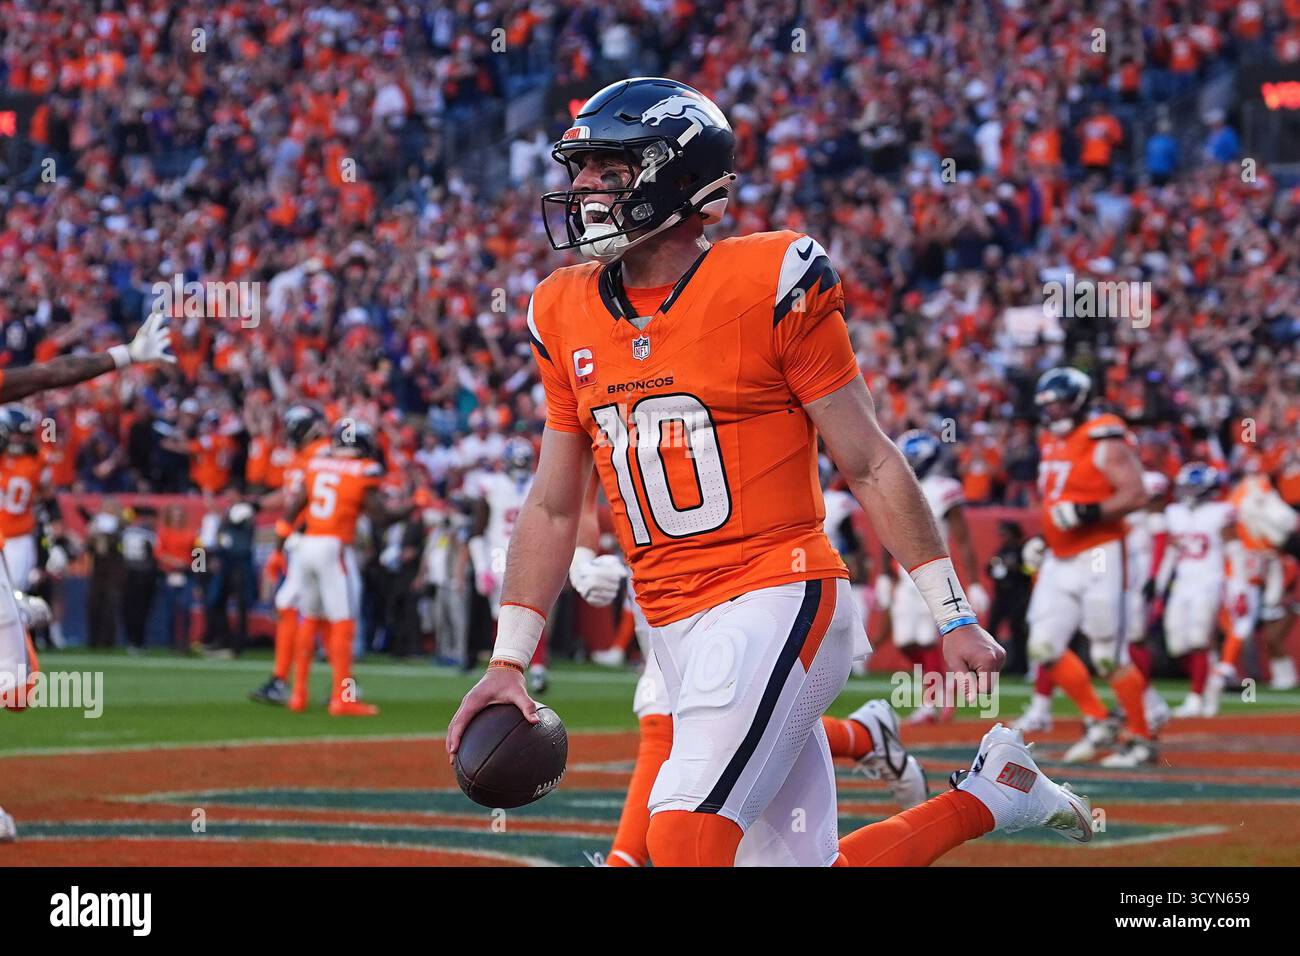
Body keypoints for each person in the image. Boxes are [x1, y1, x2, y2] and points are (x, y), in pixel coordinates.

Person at [447, 78, 1092, 867]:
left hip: (778, 592)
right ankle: (994, 794)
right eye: (580, 170)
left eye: (608, 171)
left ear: (678, 179)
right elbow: (551, 507)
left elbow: (869, 458)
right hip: (673, 623)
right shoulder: (562, 309)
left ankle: (990, 791)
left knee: (680, 836)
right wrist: (507, 660)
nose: (582, 189)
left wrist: (951, 612)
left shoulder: (769, 279)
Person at [1020, 367, 1155, 766]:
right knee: (1043, 646)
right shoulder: (1050, 441)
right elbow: (1057, 501)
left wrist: (1087, 512)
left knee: (1107, 655)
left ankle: (1142, 738)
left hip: (1100, 552)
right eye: (1047, 405)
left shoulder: (1103, 436)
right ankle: (1099, 720)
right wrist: (1045, 538)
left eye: (1060, 403)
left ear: (1079, 401)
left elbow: (1136, 494)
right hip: (1061, 557)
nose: (1054, 411)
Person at [278, 419, 402, 715]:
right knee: (343, 623)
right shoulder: (364, 470)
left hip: (306, 545)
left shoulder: (317, 464)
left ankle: (298, 693)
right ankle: (342, 697)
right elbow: (380, 518)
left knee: (309, 618)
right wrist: (414, 506)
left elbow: (294, 507)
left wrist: (281, 545)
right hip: (334, 549)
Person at [249, 405, 329, 705]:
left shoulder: (323, 453)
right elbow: (291, 494)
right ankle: (291, 682)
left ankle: (288, 683)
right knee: (318, 610)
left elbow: (310, 495)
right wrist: (258, 505)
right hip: (301, 540)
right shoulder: (301, 456)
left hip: (318, 538)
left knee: (316, 609)